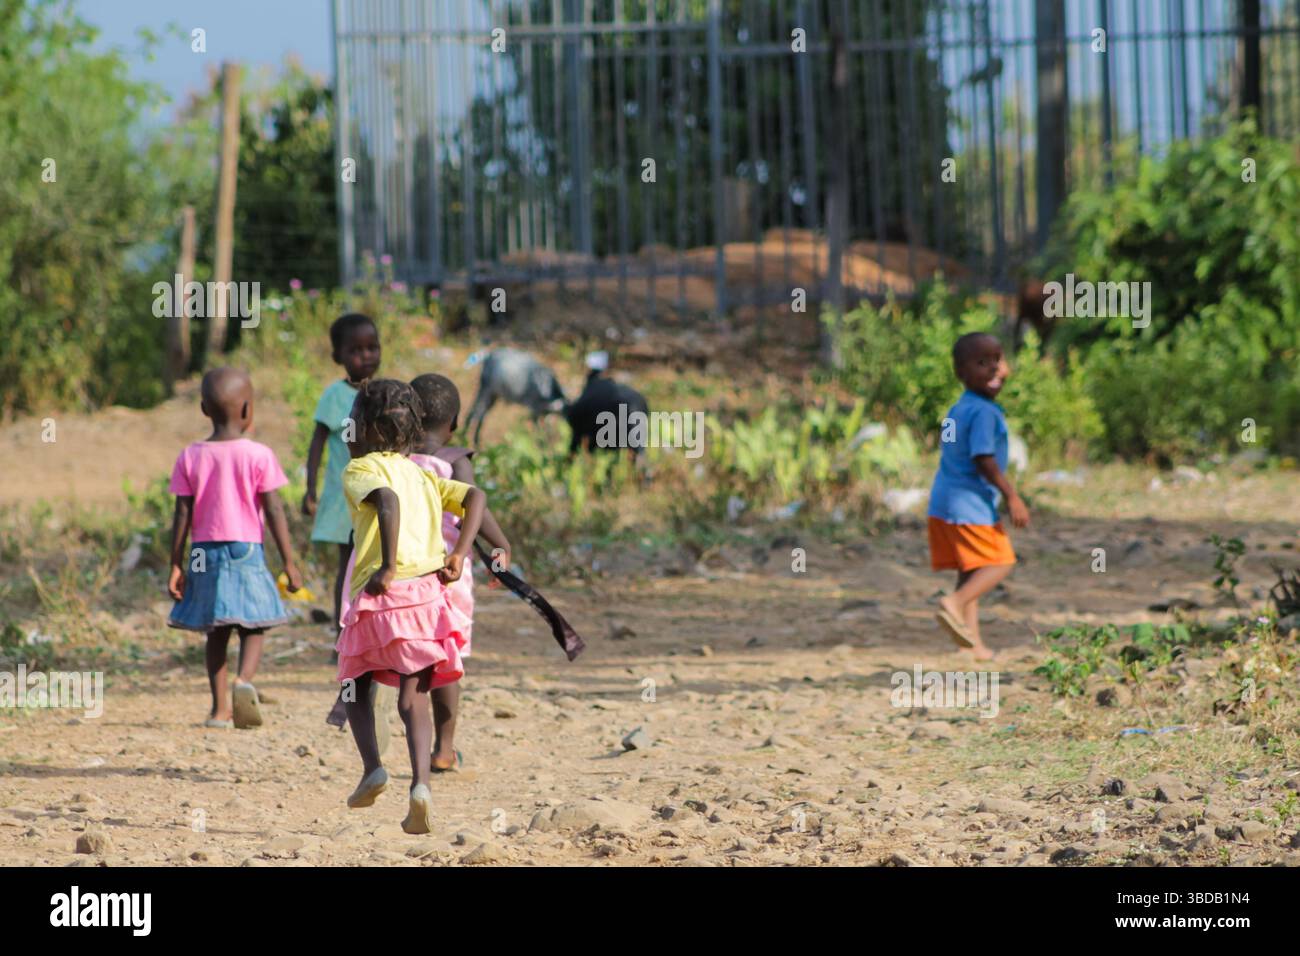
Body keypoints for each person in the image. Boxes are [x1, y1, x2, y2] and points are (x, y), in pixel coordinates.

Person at [337, 379, 487, 834]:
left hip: (381, 597)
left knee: (356, 683)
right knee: (413, 697)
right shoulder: (427, 474)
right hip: (425, 598)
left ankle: (373, 768)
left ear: (361, 430)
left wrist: (384, 565)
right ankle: (420, 784)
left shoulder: (362, 471)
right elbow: (476, 498)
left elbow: (385, 500)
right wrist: (459, 552)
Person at [167, 368, 302, 728]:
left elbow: (182, 513)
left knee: (216, 629)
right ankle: (244, 680)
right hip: (245, 547)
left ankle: (219, 709)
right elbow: (273, 509)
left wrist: (176, 564)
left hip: (203, 552)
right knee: (252, 623)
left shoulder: (190, 455)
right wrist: (289, 560)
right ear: (247, 410)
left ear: (203, 409)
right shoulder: (258, 454)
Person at [409, 373, 513, 772]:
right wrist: (501, 545)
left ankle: (413, 743)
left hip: (408, 574)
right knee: (446, 659)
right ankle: (444, 748)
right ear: (454, 423)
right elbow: (476, 508)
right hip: (450, 574)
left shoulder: (397, 463)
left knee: (414, 659)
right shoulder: (455, 461)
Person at [927, 333, 1030, 661]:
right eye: (981, 363)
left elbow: (949, 447)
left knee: (970, 573)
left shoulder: (958, 408)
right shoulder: (985, 413)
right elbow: (983, 457)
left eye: (996, 360)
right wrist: (1012, 496)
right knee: (1000, 563)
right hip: (970, 504)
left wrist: (998, 370)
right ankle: (953, 604)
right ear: (961, 372)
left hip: (943, 502)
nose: (992, 369)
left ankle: (970, 647)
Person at [303, 313, 381, 640]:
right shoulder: (334, 396)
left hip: (378, 494)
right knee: (348, 567)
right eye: (355, 350)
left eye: (372, 347)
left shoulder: (384, 393)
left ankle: (374, 632)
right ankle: (343, 634)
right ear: (338, 356)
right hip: (343, 495)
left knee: (379, 563)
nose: (365, 355)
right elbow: (317, 442)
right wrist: (309, 489)